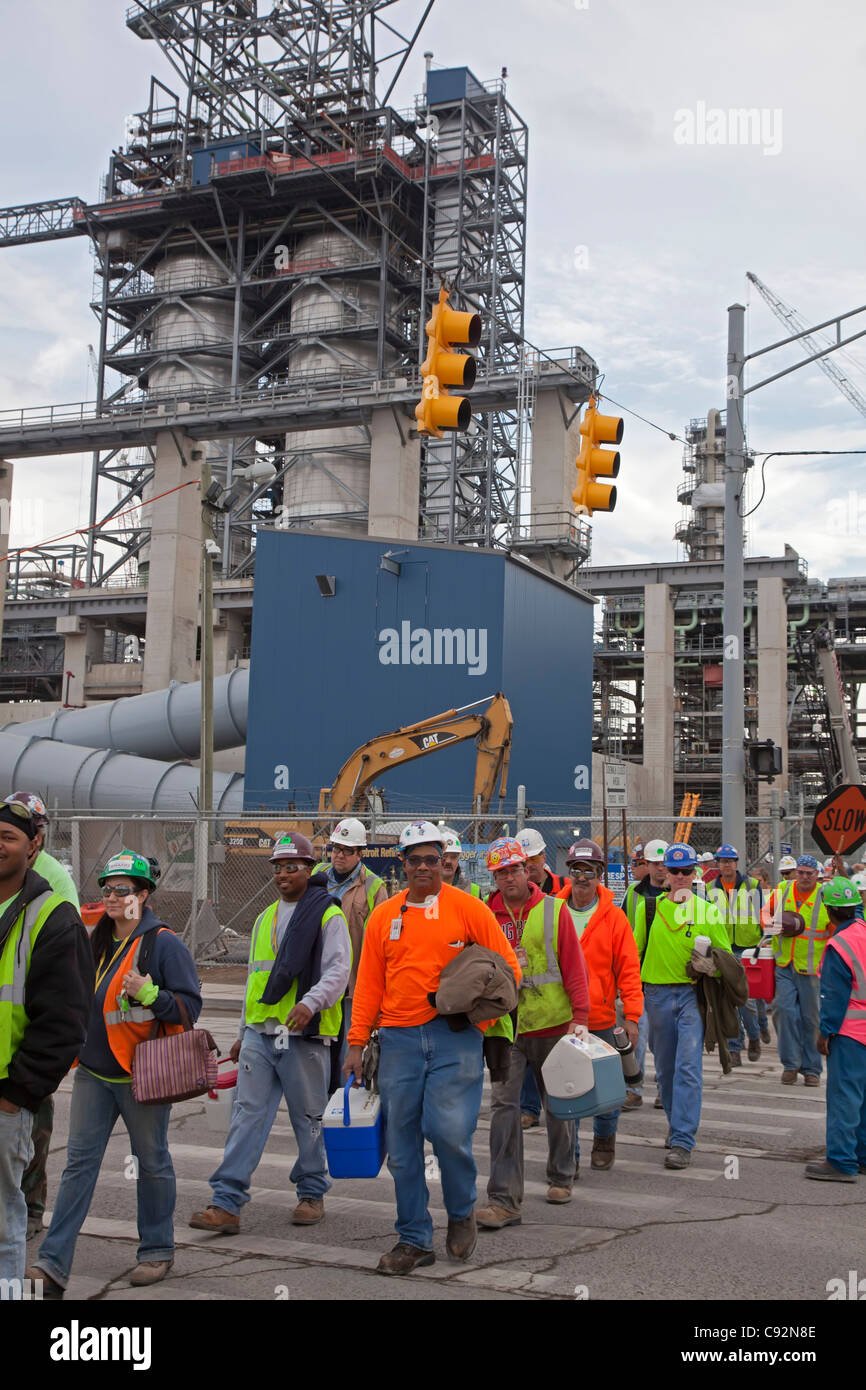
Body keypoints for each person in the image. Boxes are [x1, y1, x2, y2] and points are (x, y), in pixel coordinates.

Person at [344, 822, 520, 1276]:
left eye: (432, 859)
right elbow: (367, 984)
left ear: (445, 861)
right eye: (414, 859)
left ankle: (461, 1211)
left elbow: (509, 971)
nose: (424, 867)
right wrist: (356, 1041)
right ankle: (413, 1238)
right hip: (398, 1041)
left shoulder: (468, 908)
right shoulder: (385, 915)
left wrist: (471, 1015)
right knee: (401, 1149)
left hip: (453, 1039)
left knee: (448, 1133)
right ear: (401, 863)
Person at [27, 850, 199, 1298]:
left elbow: (189, 1009)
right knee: (77, 1168)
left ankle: (156, 1250)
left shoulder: (162, 943)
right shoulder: (96, 940)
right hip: (95, 1074)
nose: (112, 896)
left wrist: (152, 993)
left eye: (123, 889)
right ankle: (52, 1264)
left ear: (144, 895)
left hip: (142, 1076)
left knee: (152, 1164)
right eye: (107, 888)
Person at [190, 832, 350, 1235]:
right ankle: (227, 1202)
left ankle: (312, 1193)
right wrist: (244, 1029)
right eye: (277, 868)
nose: (282, 875)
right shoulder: (264, 918)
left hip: (302, 1037)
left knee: (308, 1118)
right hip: (262, 1036)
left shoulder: (328, 915)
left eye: (291, 867)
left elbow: (338, 971)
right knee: (247, 1116)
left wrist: (309, 1003)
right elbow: (253, 980)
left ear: (309, 870)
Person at [0, 797, 91, 1294]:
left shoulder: (53, 914)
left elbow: (63, 1020)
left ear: (33, 844)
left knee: (2, 1225)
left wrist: (18, 1093)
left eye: (9, 836)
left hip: (7, 1096)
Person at [475, 838, 589, 1229]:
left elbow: (574, 967)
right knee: (504, 1109)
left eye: (515, 869)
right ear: (494, 876)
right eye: (501, 872)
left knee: (559, 1104)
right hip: (507, 1029)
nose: (509, 877)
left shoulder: (555, 911)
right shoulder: (484, 916)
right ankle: (504, 1199)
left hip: (555, 1024)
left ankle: (561, 1174)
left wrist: (581, 1017)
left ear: (528, 870)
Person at [633, 842, 733, 1169]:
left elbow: (727, 960)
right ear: (663, 874)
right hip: (657, 995)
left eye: (685, 871)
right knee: (665, 1069)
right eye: (673, 871)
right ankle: (677, 1126)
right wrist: (628, 996)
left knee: (688, 1067)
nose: (679, 876)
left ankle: (682, 1140)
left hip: (692, 996)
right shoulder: (648, 909)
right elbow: (634, 955)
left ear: (695, 873)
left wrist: (711, 966)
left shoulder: (709, 911)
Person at [555, 839, 642, 1171]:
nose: (582, 877)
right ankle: (569, 1156)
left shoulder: (614, 918)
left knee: (607, 1090)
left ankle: (605, 1138)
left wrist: (632, 1016)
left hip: (602, 1016)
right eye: (576, 869)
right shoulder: (553, 910)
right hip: (562, 1018)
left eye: (589, 870)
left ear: (600, 874)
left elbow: (629, 970)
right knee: (568, 1089)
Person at [805, 878, 866, 1182]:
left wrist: (824, 1032)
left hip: (850, 1033)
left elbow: (834, 998)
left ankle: (841, 1160)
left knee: (844, 1096)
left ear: (829, 911)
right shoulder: (865, 932)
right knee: (863, 1096)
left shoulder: (839, 945)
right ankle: (862, 1156)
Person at [313, 817, 387, 1055]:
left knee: (348, 1051)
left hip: (352, 985)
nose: (339, 855)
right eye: (336, 848)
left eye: (347, 850)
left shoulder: (374, 887)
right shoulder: (317, 876)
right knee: (317, 1048)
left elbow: (379, 942)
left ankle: (344, 1092)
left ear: (360, 853)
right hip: (317, 976)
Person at [766, 854, 832, 1086]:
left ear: (817, 875)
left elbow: (833, 932)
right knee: (784, 1011)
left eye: (809, 873)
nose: (804, 877)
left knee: (810, 1019)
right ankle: (791, 1064)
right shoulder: (783, 889)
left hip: (812, 968)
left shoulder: (825, 896)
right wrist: (771, 924)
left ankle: (812, 1069)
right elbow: (765, 913)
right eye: (800, 872)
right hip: (784, 964)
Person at [704, 845, 763, 1066]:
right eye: (722, 861)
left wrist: (763, 944)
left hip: (747, 948)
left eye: (730, 860)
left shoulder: (752, 885)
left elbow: (762, 915)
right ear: (718, 864)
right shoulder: (710, 889)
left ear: (737, 863)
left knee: (746, 1001)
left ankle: (754, 1035)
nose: (726, 865)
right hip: (724, 949)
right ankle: (735, 1047)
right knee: (729, 1001)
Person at [621, 838, 667, 1111]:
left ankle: (664, 1088)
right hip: (637, 976)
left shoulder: (682, 892)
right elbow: (623, 929)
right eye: (655, 864)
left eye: (664, 864)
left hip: (666, 976)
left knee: (663, 1040)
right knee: (635, 1035)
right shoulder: (634, 893)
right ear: (647, 865)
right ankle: (633, 1089)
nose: (660, 869)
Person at [515, 828, 566, 895]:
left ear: (544, 857)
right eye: (525, 861)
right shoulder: (512, 890)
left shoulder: (563, 885)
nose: (529, 864)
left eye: (534, 859)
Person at [439, 828, 482, 897]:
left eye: (453, 857)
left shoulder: (472, 890)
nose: (448, 861)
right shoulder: (425, 887)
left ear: (458, 859)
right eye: (444, 856)